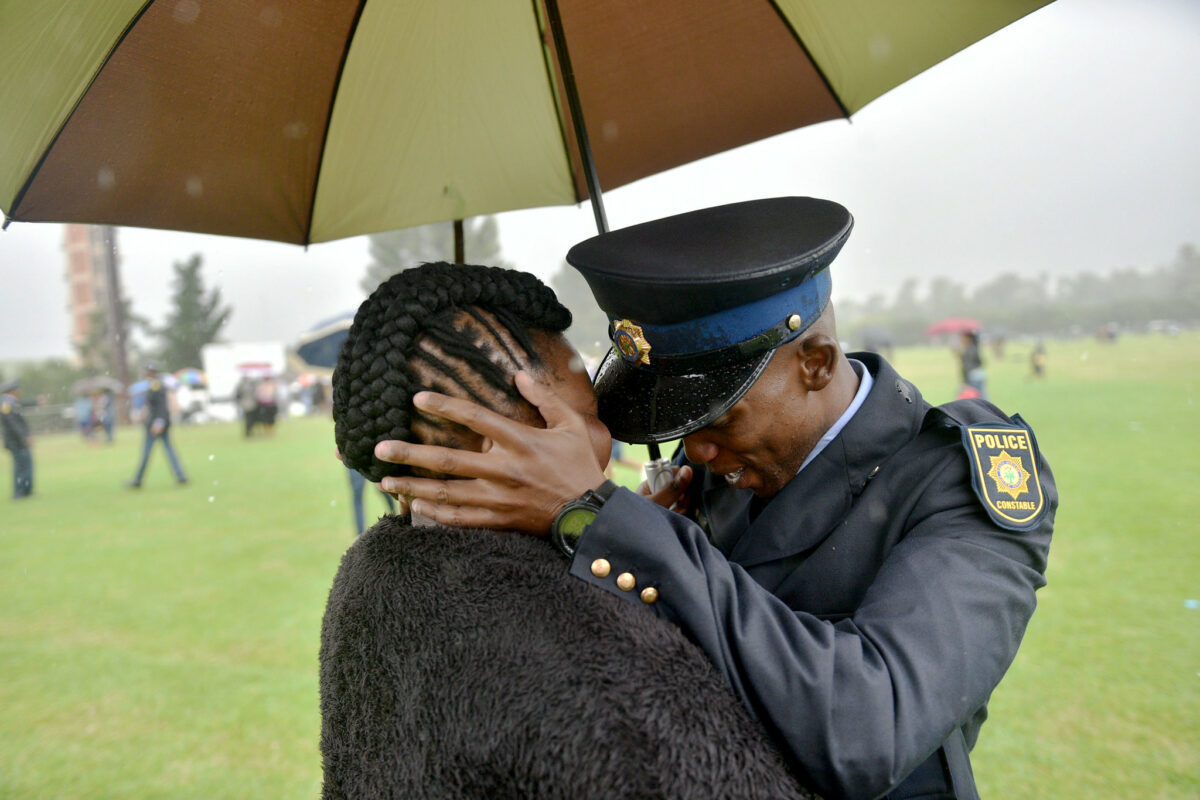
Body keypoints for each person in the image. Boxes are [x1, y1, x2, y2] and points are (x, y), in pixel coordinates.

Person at [373, 198, 1057, 800]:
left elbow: (866, 730)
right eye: (678, 422)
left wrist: (607, 520)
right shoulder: (711, 472)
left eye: (719, 415)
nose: (694, 451)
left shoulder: (954, 475)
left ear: (815, 363)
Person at [322, 262, 812, 799]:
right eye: (589, 415)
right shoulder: (603, 665)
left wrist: (614, 533)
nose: (606, 436)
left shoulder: (367, 585)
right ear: (498, 445)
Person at [125, 363, 188, 488]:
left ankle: (138, 480)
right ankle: (180, 476)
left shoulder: (155, 384)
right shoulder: (157, 383)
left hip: (156, 424)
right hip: (159, 422)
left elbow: (161, 405)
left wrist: (158, 421)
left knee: (147, 453)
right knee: (169, 450)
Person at [1, 379, 34, 499]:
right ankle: (19, 492)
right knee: (20, 467)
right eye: (16, 389)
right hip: (15, 442)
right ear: (11, 391)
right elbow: (12, 423)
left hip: (19, 441)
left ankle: (27, 491)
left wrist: (36, 401)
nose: (19, 391)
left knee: (27, 465)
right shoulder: (6, 404)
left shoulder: (12, 402)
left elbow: (23, 404)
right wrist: (24, 437)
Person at [344, 465, 395, 536]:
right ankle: (360, 534)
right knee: (358, 496)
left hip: (370, 459)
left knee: (384, 488)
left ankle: (395, 516)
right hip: (356, 460)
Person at [959, 329, 988, 400]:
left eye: (963, 337)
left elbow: (967, 366)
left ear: (968, 339)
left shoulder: (969, 349)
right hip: (979, 375)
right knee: (982, 397)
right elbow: (981, 362)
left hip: (973, 377)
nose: (961, 340)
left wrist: (965, 381)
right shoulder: (974, 347)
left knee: (978, 398)